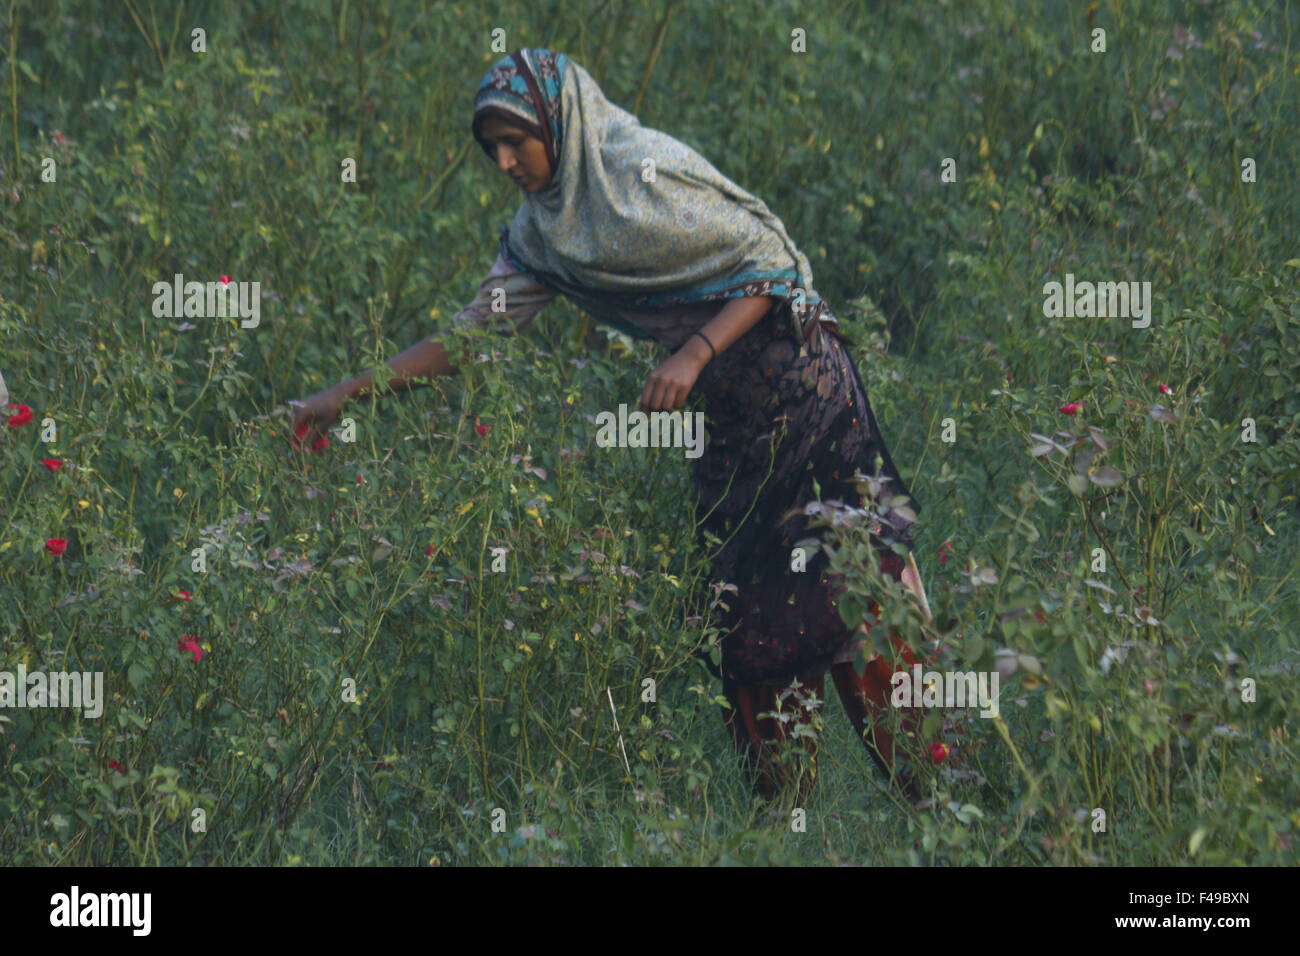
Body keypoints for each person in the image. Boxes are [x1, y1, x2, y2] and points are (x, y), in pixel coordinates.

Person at [289, 48, 930, 805]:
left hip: (809, 395)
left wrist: (692, 352)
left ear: (558, 124)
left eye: (515, 140)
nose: (503, 161)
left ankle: (936, 794)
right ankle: (780, 818)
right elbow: (472, 335)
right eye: (489, 145)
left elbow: (774, 267)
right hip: (729, 426)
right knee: (747, 612)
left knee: (857, 590)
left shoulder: (639, 173)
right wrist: (345, 392)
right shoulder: (544, 232)